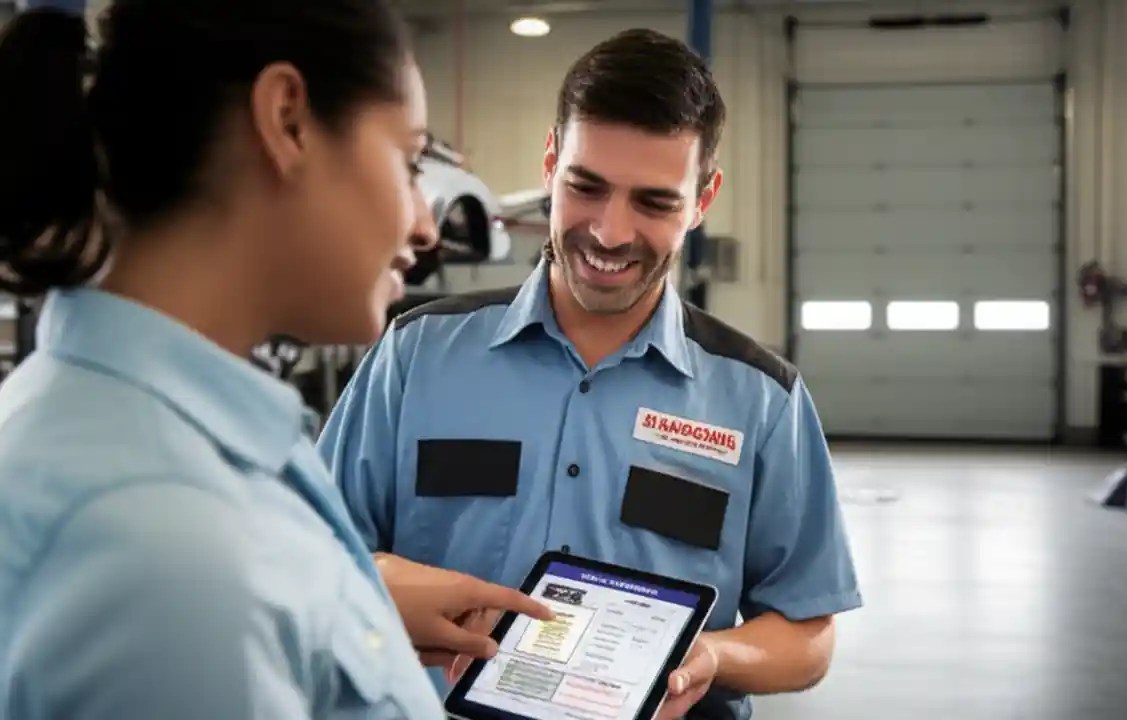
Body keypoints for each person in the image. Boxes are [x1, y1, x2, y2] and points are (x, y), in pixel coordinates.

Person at [0, 3, 551, 718]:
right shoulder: (168, 549)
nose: (423, 224)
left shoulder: (131, 434)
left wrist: (351, 614)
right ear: (288, 120)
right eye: (409, 161)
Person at [320, 27, 862, 720]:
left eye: (654, 202)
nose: (609, 232)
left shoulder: (762, 401)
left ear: (703, 199)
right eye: (587, 186)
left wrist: (716, 657)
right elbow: (313, 553)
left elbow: (809, 632)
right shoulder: (416, 355)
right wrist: (386, 580)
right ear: (551, 163)